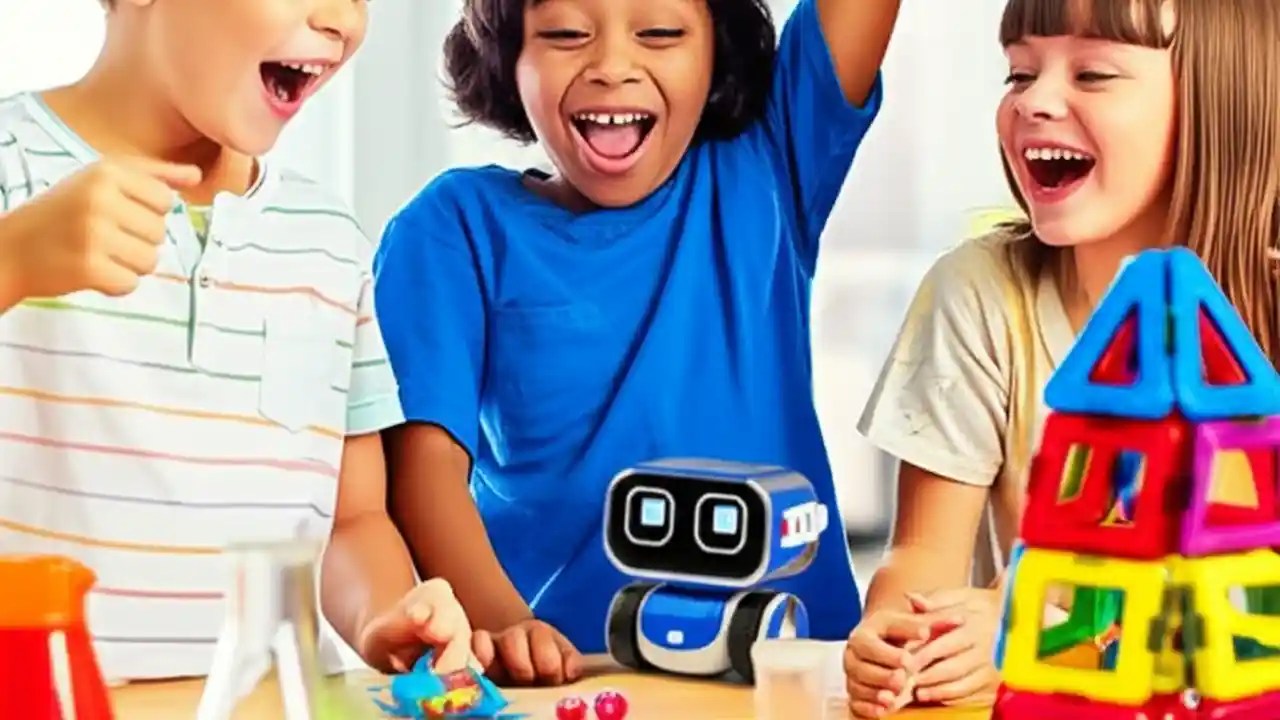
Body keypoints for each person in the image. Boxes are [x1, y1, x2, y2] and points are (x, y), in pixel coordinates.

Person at [373, 0, 900, 686]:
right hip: (579, 678)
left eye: (661, 33)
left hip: (796, 677)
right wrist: (505, 625)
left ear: (717, 52)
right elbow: (423, 472)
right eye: (565, 34)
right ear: (509, 56)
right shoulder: (452, 229)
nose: (613, 67)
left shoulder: (768, 162)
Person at [0, 0, 473, 681]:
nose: (342, 20)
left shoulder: (328, 240)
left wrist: (381, 616)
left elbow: (351, 520)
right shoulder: (13, 169)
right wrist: (13, 260)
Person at [844, 0, 1280, 716]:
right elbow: (920, 555)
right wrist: (901, 638)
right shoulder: (981, 294)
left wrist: (1037, 621)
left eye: (1095, 73)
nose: (1035, 102)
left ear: (1222, 102)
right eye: (1019, 74)